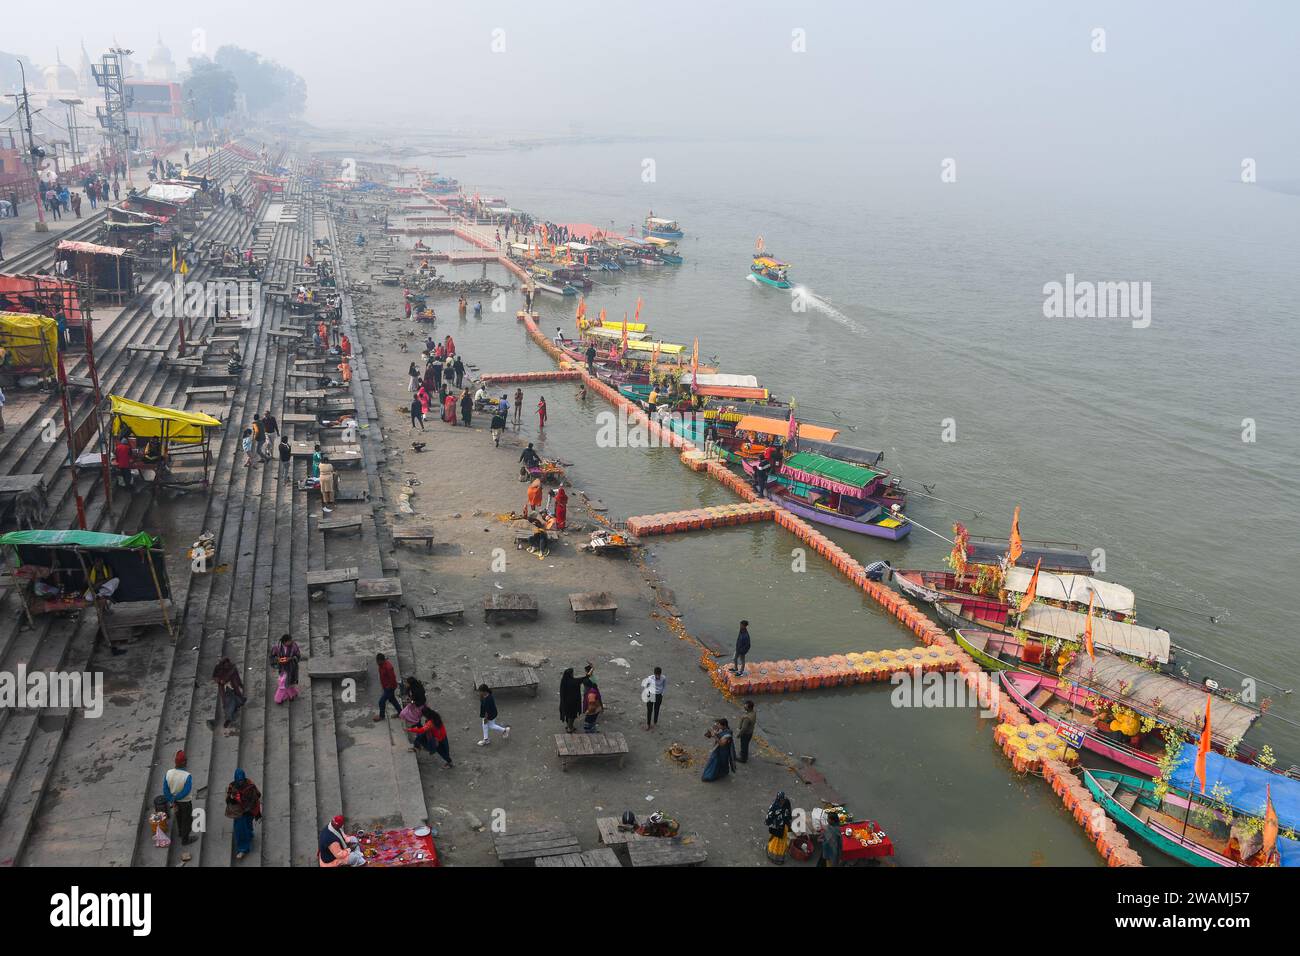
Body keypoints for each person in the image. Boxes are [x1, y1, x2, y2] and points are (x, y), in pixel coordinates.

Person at [225, 768, 262, 860]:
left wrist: (248, 808)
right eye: (238, 780)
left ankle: (248, 835)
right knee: (240, 829)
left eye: (241, 780)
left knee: (248, 825)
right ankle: (243, 848)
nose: (240, 782)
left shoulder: (250, 786)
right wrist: (232, 797)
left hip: (249, 810)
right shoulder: (232, 786)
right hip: (239, 812)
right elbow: (228, 799)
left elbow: (256, 797)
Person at [163, 751, 195, 846]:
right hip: (185, 802)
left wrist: (172, 799)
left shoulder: (168, 773)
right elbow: (186, 790)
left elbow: (165, 789)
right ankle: (185, 839)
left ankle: (181, 832)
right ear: (183, 763)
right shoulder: (187, 776)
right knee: (187, 819)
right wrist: (177, 797)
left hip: (175, 802)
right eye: (186, 760)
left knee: (179, 816)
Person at [213, 657, 246, 727]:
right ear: (223, 665)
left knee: (235, 698)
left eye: (228, 664)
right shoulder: (218, 668)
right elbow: (214, 677)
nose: (227, 666)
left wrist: (240, 684)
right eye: (225, 665)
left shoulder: (232, 667)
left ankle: (237, 705)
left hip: (233, 685)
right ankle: (228, 718)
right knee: (228, 703)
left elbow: (237, 676)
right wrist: (220, 681)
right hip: (224, 688)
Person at [271, 634, 301, 704]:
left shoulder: (294, 646)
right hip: (282, 668)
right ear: (284, 642)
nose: (291, 642)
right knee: (283, 683)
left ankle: (291, 695)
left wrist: (290, 659)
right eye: (289, 641)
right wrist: (278, 660)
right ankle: (279, 699)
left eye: (291, 640)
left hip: (292, 667)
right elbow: (272, 657)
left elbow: (298, 655)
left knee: (288, 682)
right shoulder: (277, 647)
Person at [765, 791, 794, 863]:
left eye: (783, 799)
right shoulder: (774, 807)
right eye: (781, 800)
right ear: (778, 799)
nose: (782, 801)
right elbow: (769, 818)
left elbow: (789, 812)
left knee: (782, 843)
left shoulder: (787, 802)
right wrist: (773, 825)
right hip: (777, 829)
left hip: (784, 827)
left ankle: (780, 858)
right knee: (776, 842)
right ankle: (773, 856)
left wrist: (789, 821)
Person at [373, 653, 400, 721]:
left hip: (390, 687)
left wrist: (389, 687)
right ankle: (400, 713)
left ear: (381, 660)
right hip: (386, 686)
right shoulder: (381, 665)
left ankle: (382, 716)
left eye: (377, 661)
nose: (376, 662)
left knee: (381, 702)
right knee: (392, 700)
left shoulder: (388, 667)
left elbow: (393, 678)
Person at [559, 668, 583, 733]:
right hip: (572, 703)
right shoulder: (573, 682)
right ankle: (570, 728)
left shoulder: (564, 681)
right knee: (571, 716)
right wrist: (591, 670)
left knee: (567, 715)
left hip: (565, 702)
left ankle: (569, 726)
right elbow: (582, 679)